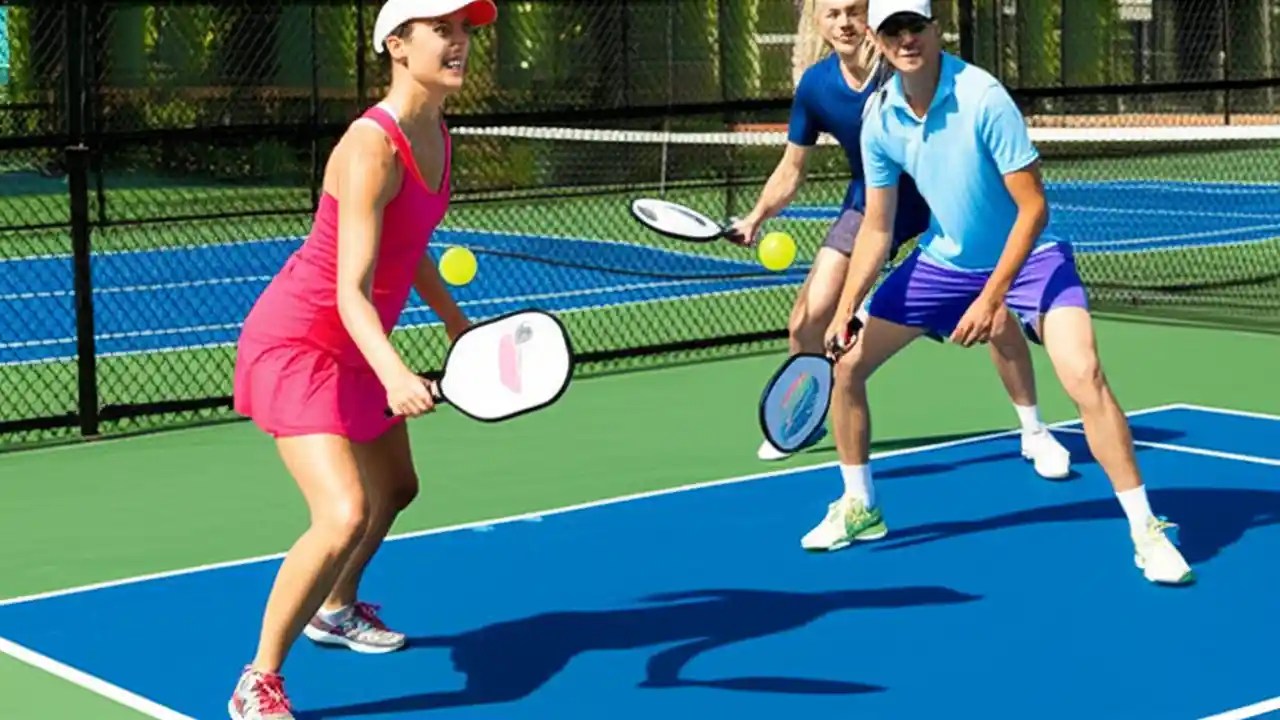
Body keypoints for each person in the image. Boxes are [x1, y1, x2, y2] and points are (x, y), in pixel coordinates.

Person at [814, 0, 1193, 585]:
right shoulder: (881, 118)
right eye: (893, 30)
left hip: (1032, 259)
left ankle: (1146, 529)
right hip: (944, 261)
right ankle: (861, 505)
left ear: (936, 30)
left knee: (1085, 375)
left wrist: (992, 299)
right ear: (876, 37)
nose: (906, 39)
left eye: (916, 26)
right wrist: (845, 309)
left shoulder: (983, 97)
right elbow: (879, 225)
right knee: (847, 369)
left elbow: (1033, 207)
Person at [226, 1, 498, 717]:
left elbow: (409, 254)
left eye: (465, 30)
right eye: (443, 29)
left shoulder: (436, 132)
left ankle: (334, 609)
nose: (460, 43)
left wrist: (458, 328)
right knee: (343, 512)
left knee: (397, 488)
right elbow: (349, 289)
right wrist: (396, 374)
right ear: (398, 45)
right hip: (302, 344)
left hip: (358, 346)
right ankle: (259, 679)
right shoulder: (369, 147)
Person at [732, 0, 1070, 481]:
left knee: (997, 322)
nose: (844, 23)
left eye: (853, 11)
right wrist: (757, 216)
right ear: (820, 24)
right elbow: (792, 166)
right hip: (873, 205)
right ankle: (800, 421)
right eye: (833, 14)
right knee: (809, 317)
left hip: (942, 202)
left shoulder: (901, 64)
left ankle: (1033, 430)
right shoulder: (816, 87)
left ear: (870, 22)